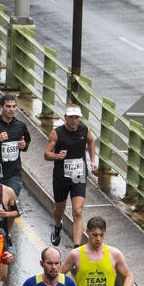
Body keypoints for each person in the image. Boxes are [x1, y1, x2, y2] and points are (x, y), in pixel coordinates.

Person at [44, 104, 96, 246]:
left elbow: (91, 141)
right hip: (61, 177)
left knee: (77, 211)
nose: (74, 121)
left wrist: (92, 160)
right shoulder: (57, 133)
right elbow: (46, 155)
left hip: (78, 176)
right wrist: (57, 156)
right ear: (65, 117)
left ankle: (76, 248)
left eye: (76, 118)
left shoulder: (84, 130)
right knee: (59, 209)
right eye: (71, 117)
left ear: (80, 118)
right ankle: (57, 226)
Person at [0, 92, 30, 200]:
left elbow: (27, 142)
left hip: (14, 173)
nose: (11, 109)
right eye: (8, 106)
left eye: (14, 106)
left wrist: (24, 145)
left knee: (10, 201)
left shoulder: (21, 126)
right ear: (1, 107)